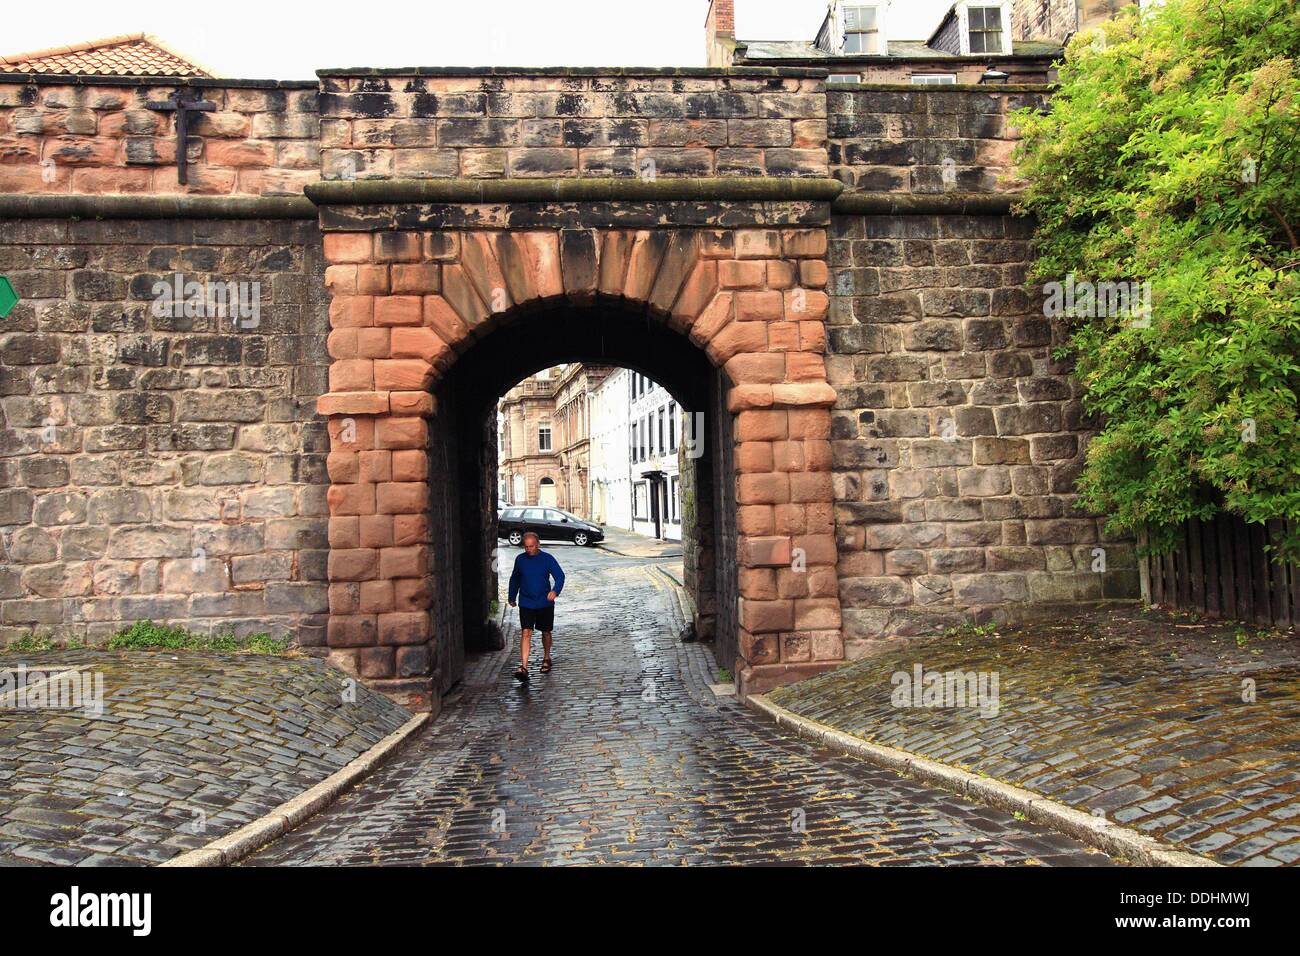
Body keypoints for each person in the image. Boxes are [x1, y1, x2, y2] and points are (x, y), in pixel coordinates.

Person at [507, 531, 565, 682]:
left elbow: (560, 576)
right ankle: (524, 667)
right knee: (526, 632)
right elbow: (515, 578)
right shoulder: (520, 560)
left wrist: (555, 591)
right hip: (526, 602)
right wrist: (512, 596)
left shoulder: (547, 559)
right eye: (526, 547)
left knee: (546, 631)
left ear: (537, 544)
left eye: (531, 546)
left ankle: (546, 657)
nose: (529, 549)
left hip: (544, 602)